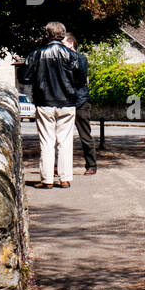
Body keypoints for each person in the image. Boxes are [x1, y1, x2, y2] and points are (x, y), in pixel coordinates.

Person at [20, 22, 84, 188]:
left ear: (47, 35)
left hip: (45, 102)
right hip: (67, 102)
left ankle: (47, 180)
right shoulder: (72, 55)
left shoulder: (37, 54)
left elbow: (25, 77)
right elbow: (80, 79)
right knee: (65, 141)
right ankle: (65, 178)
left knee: (47, 142)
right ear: (62, 35)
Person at [62, 32, 96, 175]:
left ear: (71, 43)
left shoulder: (80, 59)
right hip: (67, 100)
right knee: (61, 137)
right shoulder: (62, 59)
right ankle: (59, 166)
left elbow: (80, 77)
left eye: (63, 44)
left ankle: (91, 165)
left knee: (85, 135)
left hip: (81, 101)